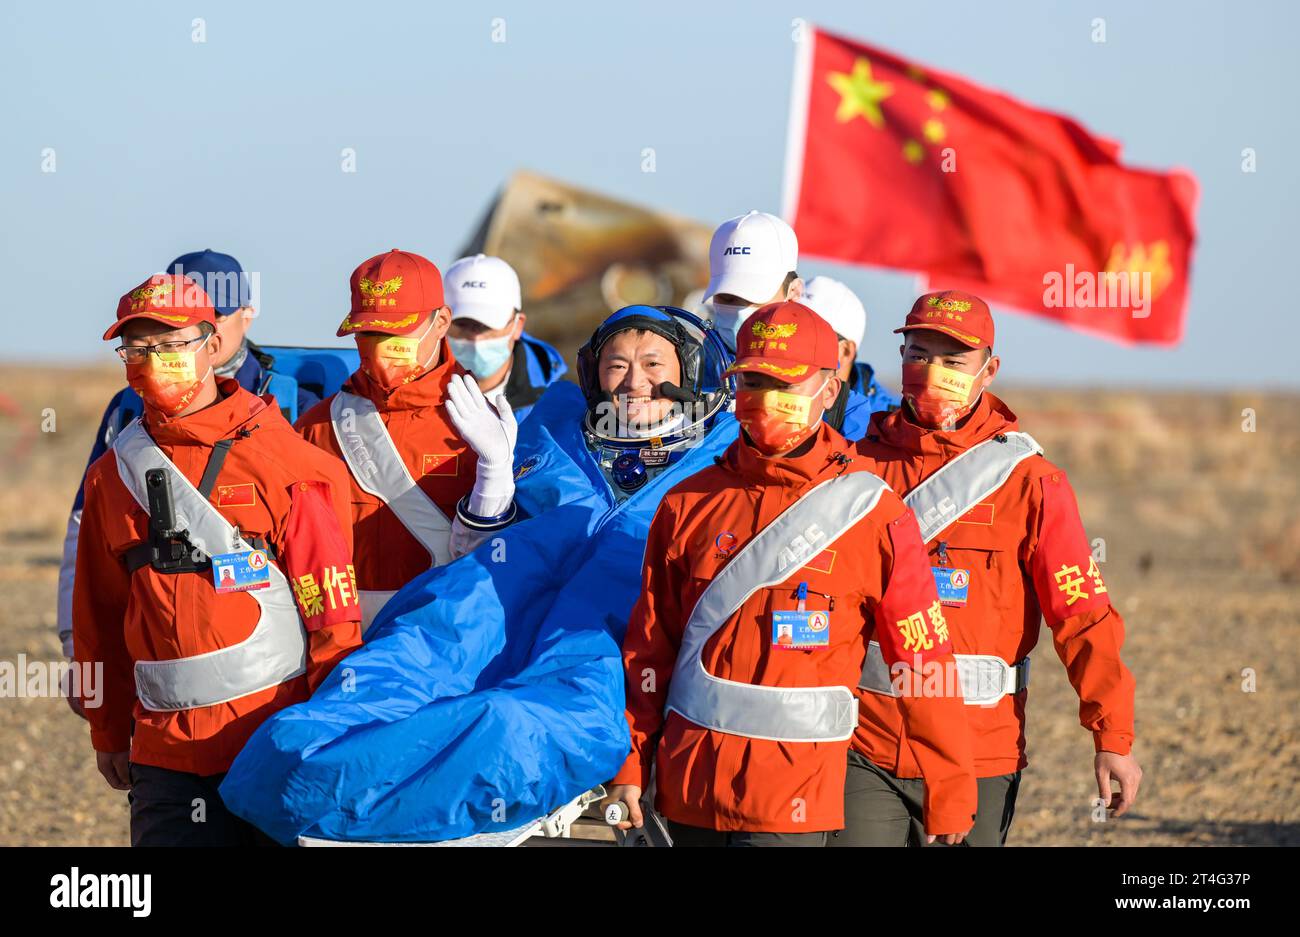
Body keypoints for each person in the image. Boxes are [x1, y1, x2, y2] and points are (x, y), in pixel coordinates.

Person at [217, 305, 743, 844]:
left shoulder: (726, 461)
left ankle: (366, 807)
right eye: (616, 366)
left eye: (655, 365)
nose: (635, 383)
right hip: (481, 610)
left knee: (509, 721)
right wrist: (495, 473)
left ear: (693, 373)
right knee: (381, 683)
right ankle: (324, 782)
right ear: (592, 374)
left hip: (598, 641)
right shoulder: (557, 430)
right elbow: (484, 546)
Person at [602, 301, 976, 846]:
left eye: (785, 383)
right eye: (752, 380)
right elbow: (650, 650)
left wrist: (950, 788)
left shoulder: (872, 513)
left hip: (793, 803)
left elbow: (922, 662)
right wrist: (631, 767)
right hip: (686, 792)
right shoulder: (686, 503)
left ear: (828, 390)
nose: (765, 399)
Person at [832, 290, 1140, 847]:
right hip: (863, 745)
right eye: (919, 355)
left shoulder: (1031, 482)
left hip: (981, 749)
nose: (932, 373)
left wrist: (1111, 737)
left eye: (954, 362)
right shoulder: (853, 466)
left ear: (988, 370)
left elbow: (1085, 617)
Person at [72, 273, 362, 846]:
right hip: (163, 757)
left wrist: (332, 732)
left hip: (272, 743)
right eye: (138, 348)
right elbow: (98, 617)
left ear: (212, 344)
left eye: (172, 345)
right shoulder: (112, 474)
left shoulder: (281, 458)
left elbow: (330, 610)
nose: (154, 361)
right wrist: (107, 729)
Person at [57, 249, 334, 694]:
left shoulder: (297, 404)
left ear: (246, 314)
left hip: (274, 688)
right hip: (160, 695)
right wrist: (77, 648)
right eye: (150, 344)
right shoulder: (127, 414)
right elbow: (85, 535)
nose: (167, 354)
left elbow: (325, 566)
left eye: (216, 315)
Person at [294, 249, 519, 633]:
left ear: (441, 322)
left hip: (444, 643)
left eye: (397, 332)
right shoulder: (314, 428)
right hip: (340, 649)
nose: (382, 348)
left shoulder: (483, 426)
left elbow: (504, 564)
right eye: (368, 333)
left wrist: (497, 471)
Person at [443, 253, 566, 422]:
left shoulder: (561, 405)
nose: (476, 339)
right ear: (440, 323)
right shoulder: (409, 391)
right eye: (463, 323)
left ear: (517, 325)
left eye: (487, 326)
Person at [798, 275, 900, 440]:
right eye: (787, 329)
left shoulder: (891, 424)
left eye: (808, 336)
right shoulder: (754, 390)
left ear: (845, 351)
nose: (790, 343)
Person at [697, 210, 803, 353]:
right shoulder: (694, 364)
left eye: (755, 297)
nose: (740, 312)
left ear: (794, 292)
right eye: (728, 298)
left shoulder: (816, 369)